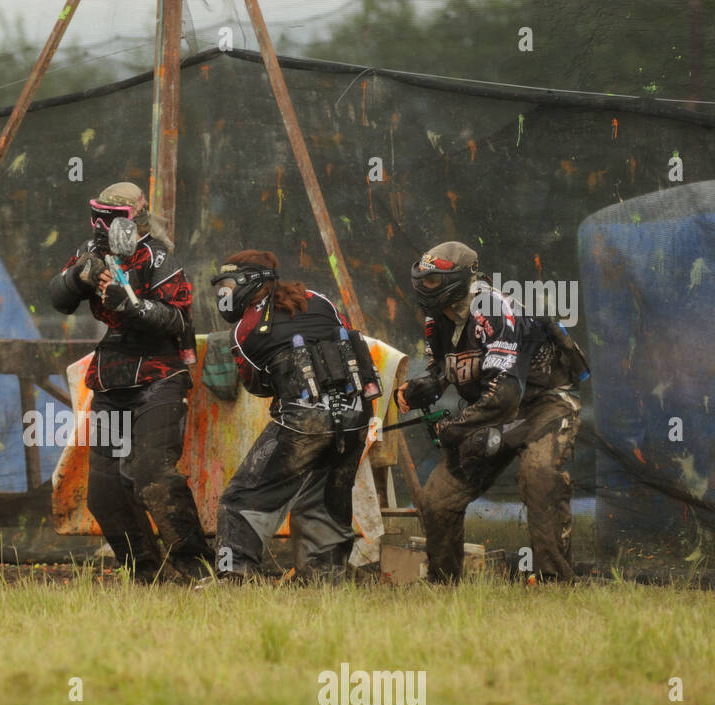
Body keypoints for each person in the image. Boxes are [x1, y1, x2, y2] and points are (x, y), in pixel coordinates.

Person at [48, 181, 212, 582]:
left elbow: (177, 320)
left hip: (159, 375)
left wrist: (130, 304)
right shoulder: (92, 252)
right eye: (98, 216)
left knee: (152, 474)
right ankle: (146, 574)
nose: (102, 226)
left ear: (134, 219)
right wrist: (77, 279)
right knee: (104, 495)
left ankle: (198, 570)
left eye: (111, 218)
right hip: (113, 378)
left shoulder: (158, 258)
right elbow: (58, 299)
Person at [397, 241, 588, 583]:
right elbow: (446, 369)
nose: (424, 287)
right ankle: (442, 584)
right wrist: (423, 386)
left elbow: (505, 397)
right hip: (492, 408)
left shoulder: (492, 308)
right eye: (422, 280)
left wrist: (455, 429)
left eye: (432, 281)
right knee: (439, 497)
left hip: (544, 405)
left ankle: (555, 583)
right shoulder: (437, 319)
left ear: (455, 281)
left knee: (539, 477)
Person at [210, 250, 379, 583]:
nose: (224, 292)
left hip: (305, 419)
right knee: (325, 498)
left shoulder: (245, 329)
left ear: (250, 282)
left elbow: (257, 386)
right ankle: (325, 579)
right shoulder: (317, 298)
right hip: (358, 413)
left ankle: (235, 575)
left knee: (242, 498)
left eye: (229, 283)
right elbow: (347, 334)